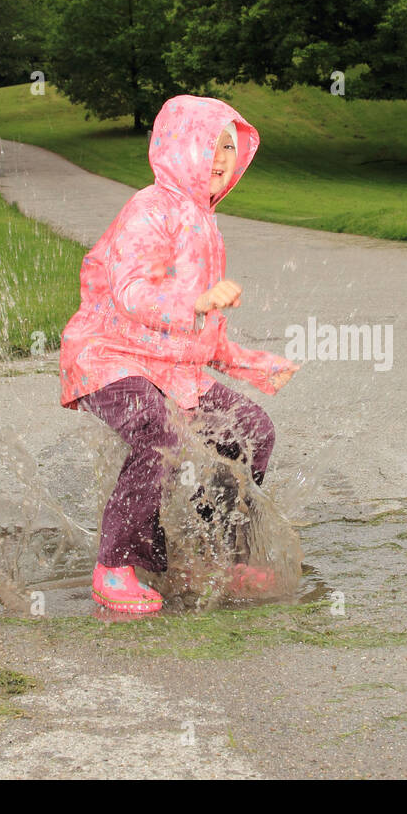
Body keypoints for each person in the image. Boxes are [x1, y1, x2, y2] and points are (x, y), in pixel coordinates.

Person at [58, 94, 300, 614]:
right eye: (208, 144)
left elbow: (202, 334)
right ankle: (114, 565)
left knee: (252, 431)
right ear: (179, 148)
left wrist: (251, 362)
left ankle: (217, 554)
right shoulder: (149, 208)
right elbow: (129, 291)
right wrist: (193, 301)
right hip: (107, 355)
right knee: (156, 430)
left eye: (229, 146)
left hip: (171, 368)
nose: (219, 157)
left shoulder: (206, 224)